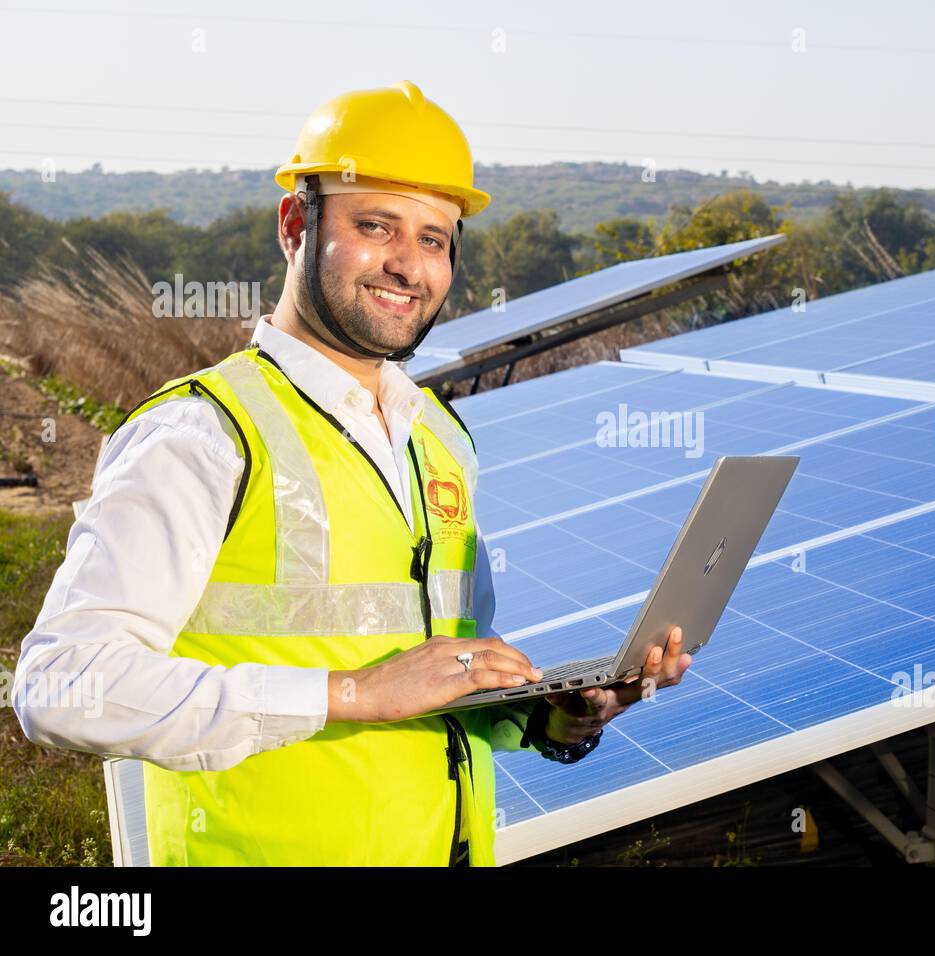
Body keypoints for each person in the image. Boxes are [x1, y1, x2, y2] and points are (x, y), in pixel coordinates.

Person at [14, 80, 691, 866]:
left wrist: (550, 718)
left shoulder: (439, 437)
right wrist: (353, 694)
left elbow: (437, 667)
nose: (408, 265)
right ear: (296, 224)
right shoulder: (201, 433)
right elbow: (60, 687)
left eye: (434, 239)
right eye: (377, 227)